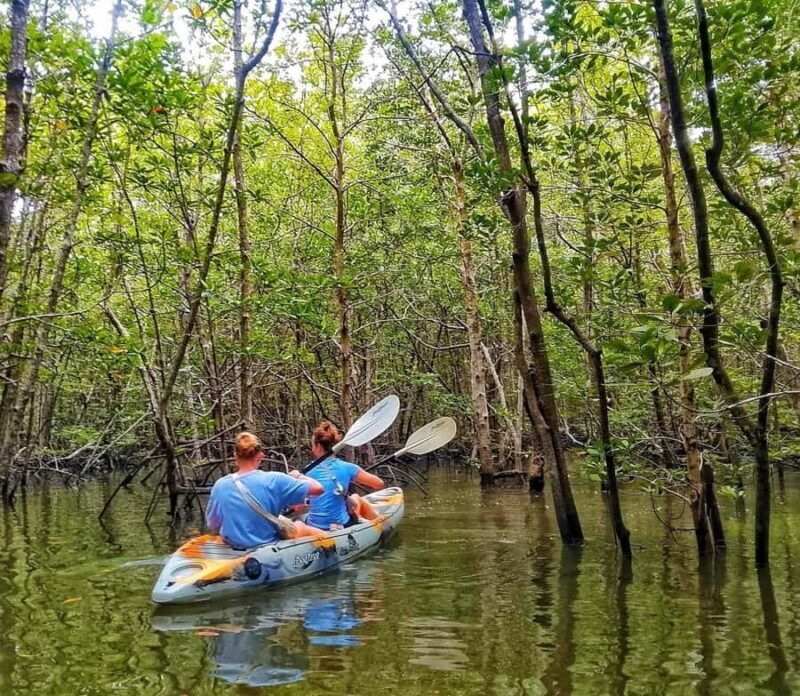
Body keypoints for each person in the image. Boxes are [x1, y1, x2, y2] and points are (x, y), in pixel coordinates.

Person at [206, 432, 325, 548]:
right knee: (300, 525)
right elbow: (318, 488)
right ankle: (332, 542)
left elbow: (212, 524)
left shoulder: (220, 485)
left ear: (235, 456)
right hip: (266, 546)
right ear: (260, 455)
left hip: (234, 545)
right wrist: (298, 475)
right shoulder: (274, 479)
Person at [305, 421, 385, 530]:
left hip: (313, 526)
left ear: (318, 447)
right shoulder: (347, 467)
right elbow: (379, 484)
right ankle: (379, 524)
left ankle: (364, 520)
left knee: (349, 500)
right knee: (356, 497)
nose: (312, 449)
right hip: (341, 525)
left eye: (312, 446)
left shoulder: (306, 471)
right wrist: (352, 478)